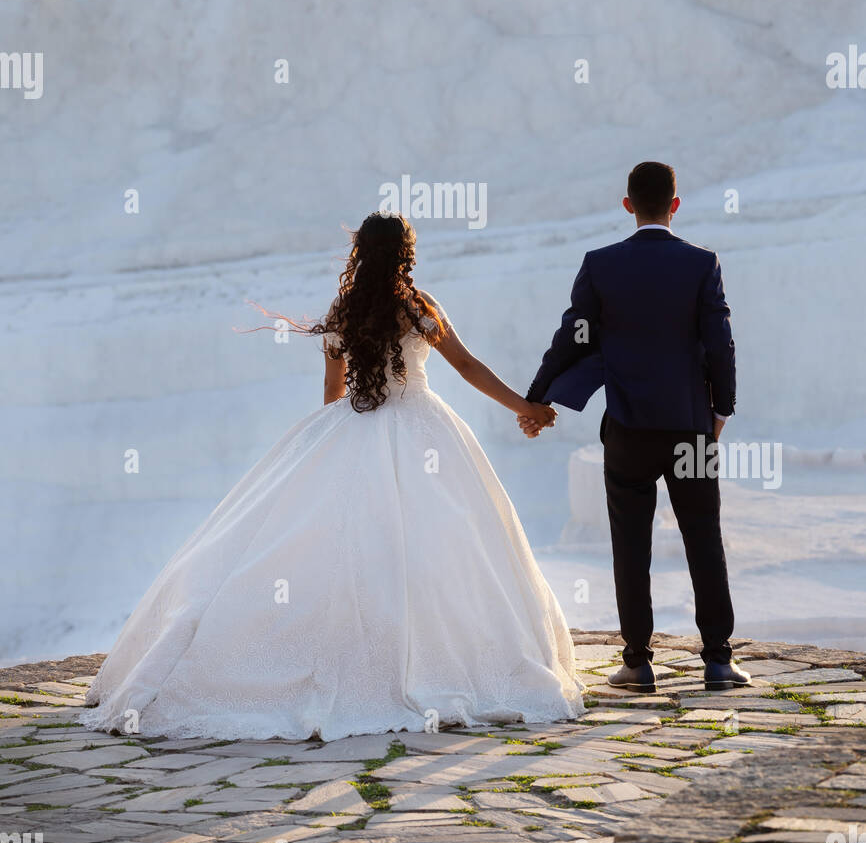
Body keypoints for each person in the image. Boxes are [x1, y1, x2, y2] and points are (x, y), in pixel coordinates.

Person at [81, 211, 584, 742]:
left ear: (360, 253)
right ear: (406, 255)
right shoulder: (418, 306)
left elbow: (332, 391)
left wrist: (342, 440)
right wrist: (525, 407)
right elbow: (466, 366)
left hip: (354, 421)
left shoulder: (344, 309)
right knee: (444, 549)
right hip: (423, 426)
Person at [523, 161, 748, 692]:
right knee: (703, 537)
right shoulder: (701, 263)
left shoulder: (601, 265)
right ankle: (717, 659)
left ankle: (637, 662)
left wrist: (536, 398)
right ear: (675, 204)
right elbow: (720, 343)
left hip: (626, 427)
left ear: (628, 206)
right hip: (692, 428)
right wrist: (722, 412)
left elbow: (574, 336)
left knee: (630, 543)